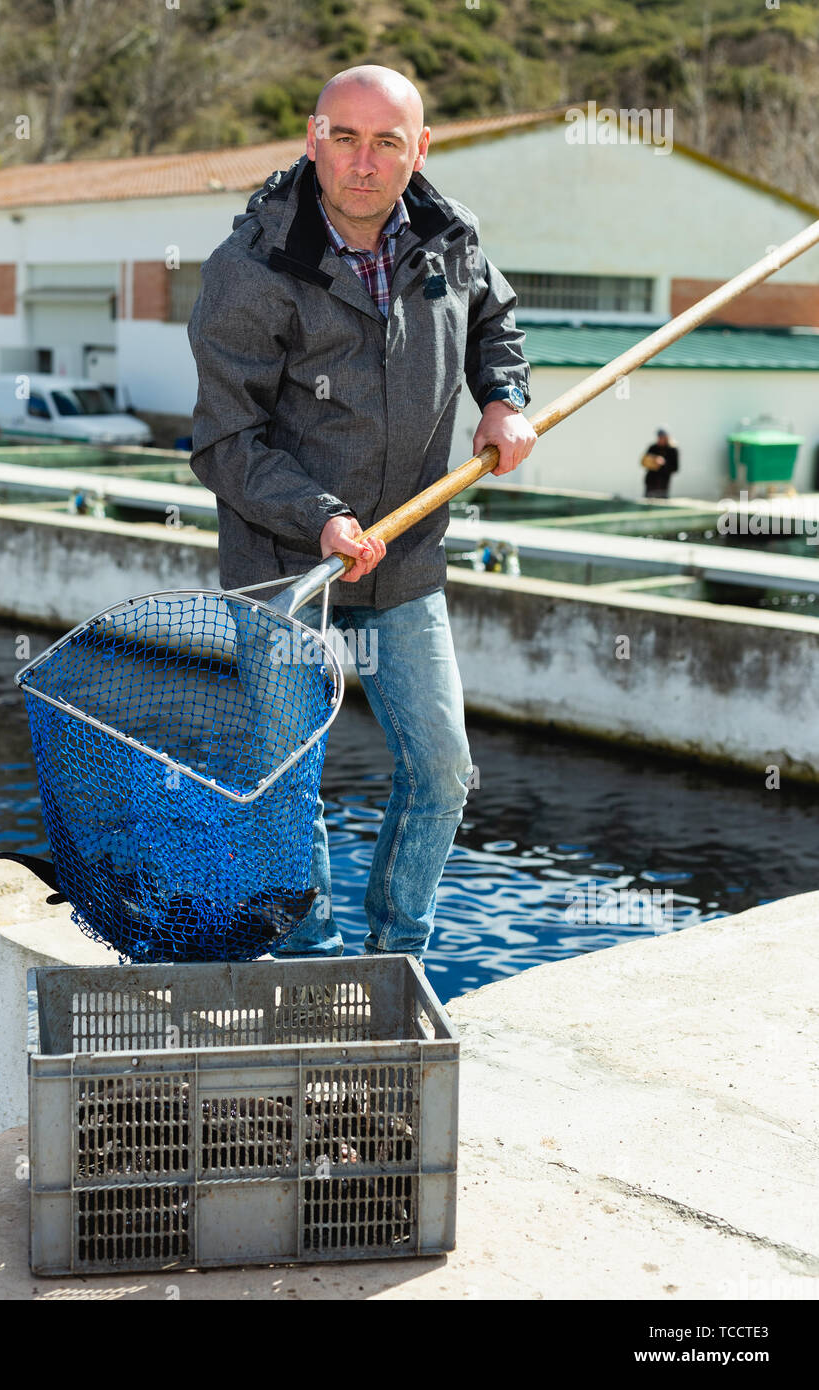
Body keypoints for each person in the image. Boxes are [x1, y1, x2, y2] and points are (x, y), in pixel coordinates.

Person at [186, 64, 536, 960]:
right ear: (312, 138)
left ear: (419, 150)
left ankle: (395, 957)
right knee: (290, 784)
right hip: (288, 571)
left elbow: (494, 320)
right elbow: (225, 443)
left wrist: (501, 397)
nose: (363, 161)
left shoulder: (449, 241)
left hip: (408, 560)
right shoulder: (250, 269)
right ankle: (308, 969)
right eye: (343, 136)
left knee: (443, 770)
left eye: (387, 141)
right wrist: (321, 519)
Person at [642, 428, 679, 498]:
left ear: (667, 437)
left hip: (663, 484)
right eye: (659, 437)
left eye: (662, 437)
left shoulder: (672, 450)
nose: (660, 439)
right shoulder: (653, 448)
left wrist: (664, 463)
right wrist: (653, 461)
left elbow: (675, 468)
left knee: (661, 502)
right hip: (651, 482)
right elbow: (643, 462)